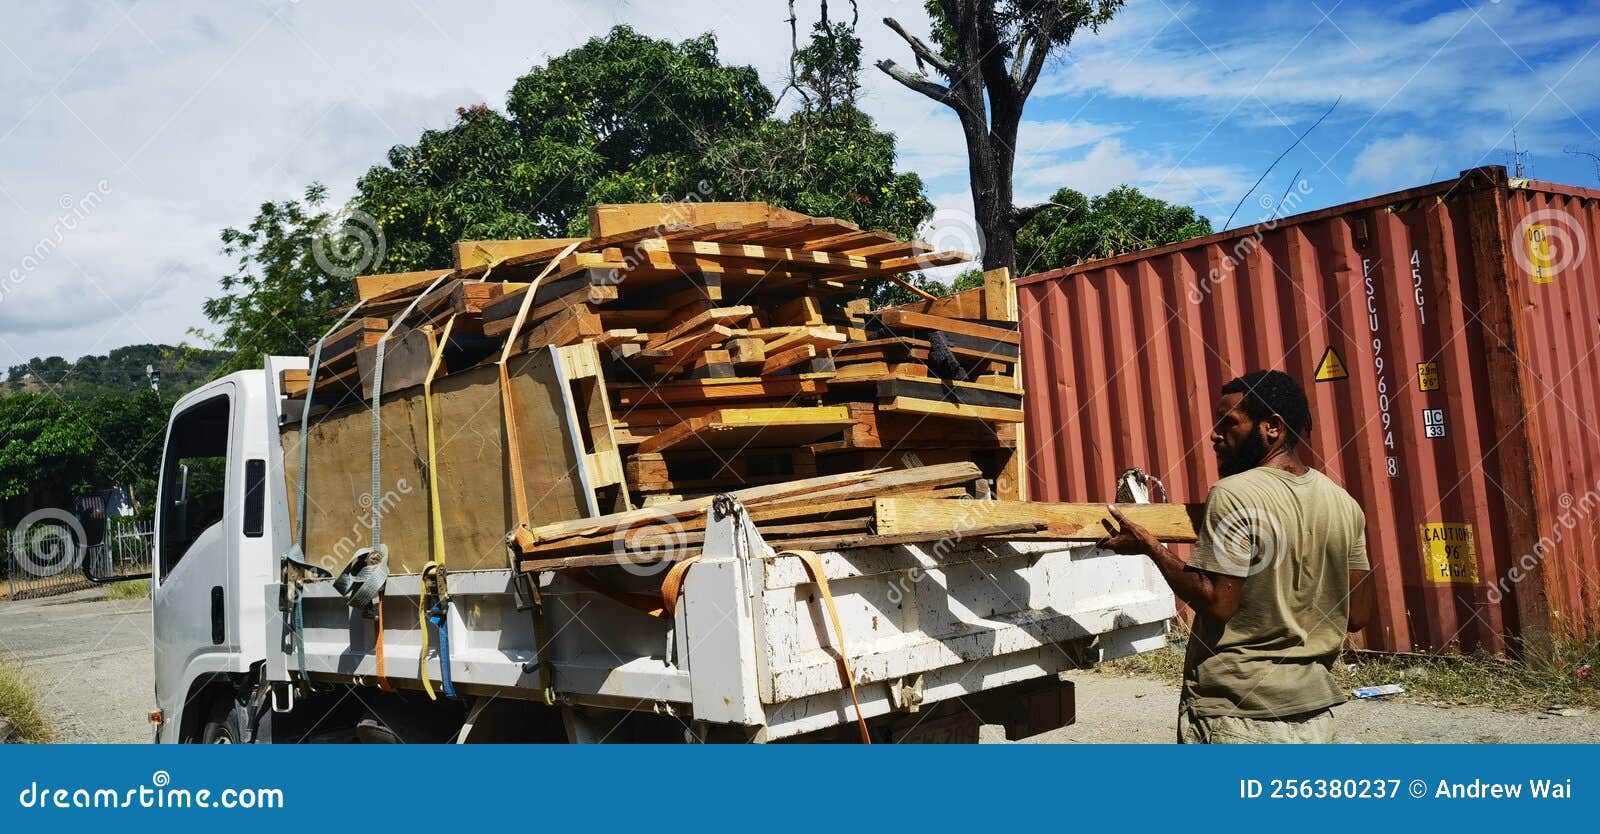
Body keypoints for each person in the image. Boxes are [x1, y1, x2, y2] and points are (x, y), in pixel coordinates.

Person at [1098, 369, 1375, 743]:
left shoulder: (1233, 493)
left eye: (1229, 424)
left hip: (1240, 717)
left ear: (1271, 428)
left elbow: (1216, 602)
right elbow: (1358, 615)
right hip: (1314, 716)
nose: (1214, 435)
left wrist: (1152, 548)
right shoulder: (1344, 504)